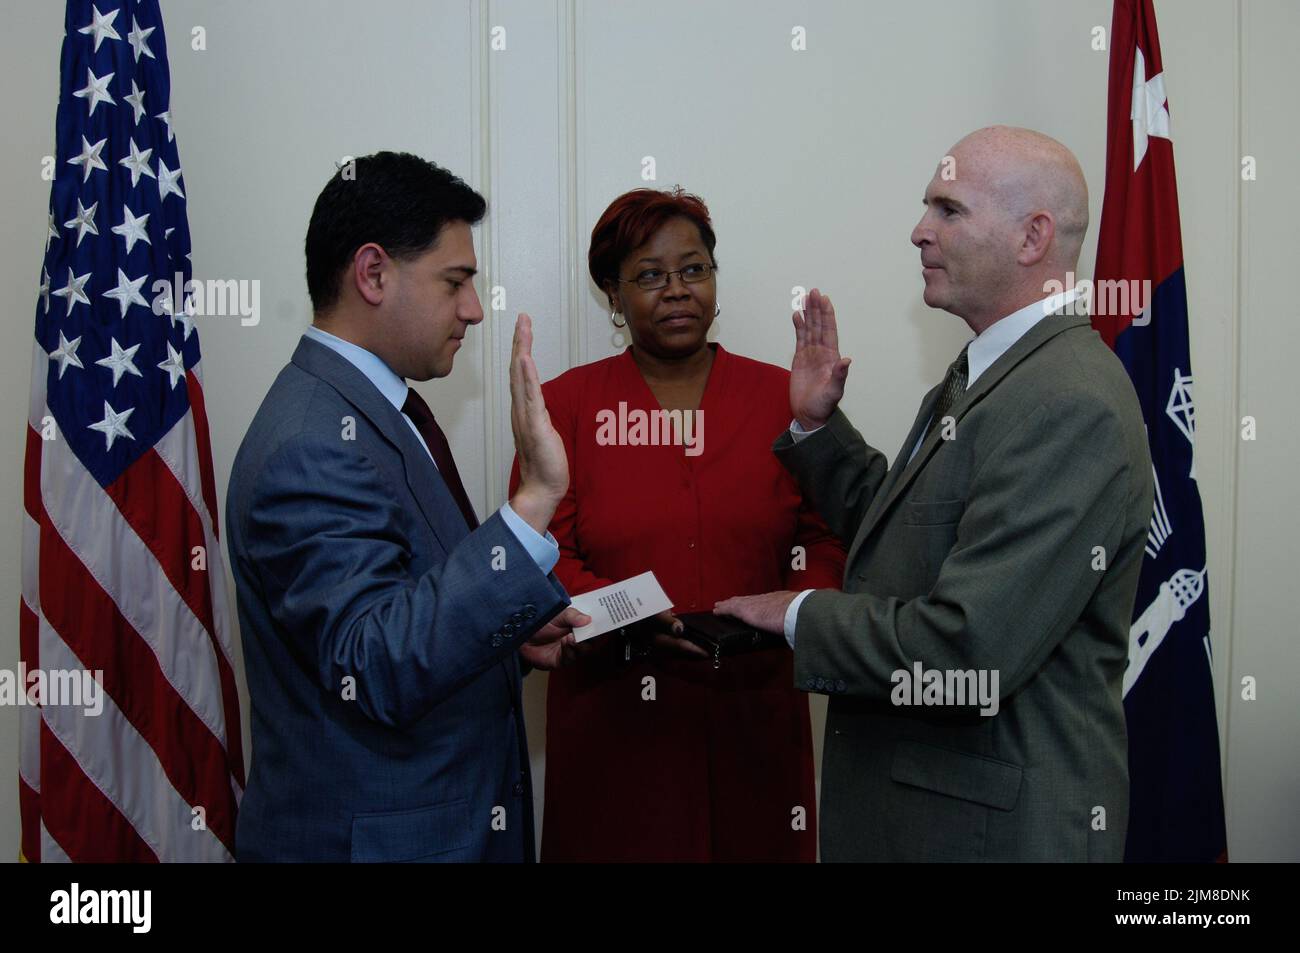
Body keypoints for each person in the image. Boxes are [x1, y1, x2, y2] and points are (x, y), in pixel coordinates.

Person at [717, 127, 1155, 862]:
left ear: (1032, 237)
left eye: (948, 210)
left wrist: (799, 614)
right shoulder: (991, 371)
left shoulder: (1069, 402)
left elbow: (966, 650)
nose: (919, 231)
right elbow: (908, 541)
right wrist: (816, 428)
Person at [226, 152, 587, 862]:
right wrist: (535, 501)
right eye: (455, 281)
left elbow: (401, 618)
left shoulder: (379, 412)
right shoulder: (313, 443)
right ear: (373, 274)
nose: (475, 309)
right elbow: (376, 663)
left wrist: (505, 638)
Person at [512, 188, 845, 862]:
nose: (676, 291)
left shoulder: (786, 396)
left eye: (694, 270)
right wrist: (629, 614)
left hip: (756, 713)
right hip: (615, 725)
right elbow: (541, 554)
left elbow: (823, 536)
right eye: (650, 275)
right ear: (612, 291)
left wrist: (796, 604)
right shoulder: (566, 406)